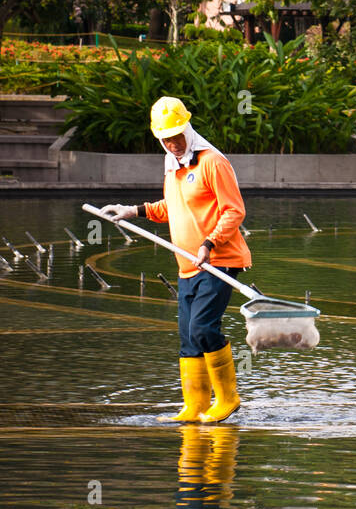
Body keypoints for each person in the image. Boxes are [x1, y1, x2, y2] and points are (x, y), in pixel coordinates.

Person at [101, 96, 252, 422]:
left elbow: (234, 210)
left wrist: (210, 243)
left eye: (176, 137)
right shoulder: (173, 168)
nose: (172, 144)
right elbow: (172, 208)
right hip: (188, 266)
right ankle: (195, 405)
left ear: (187, 129)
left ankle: (228, 398)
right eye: (165, 139)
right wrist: (133, 211)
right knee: (187, 336)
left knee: (202, 327)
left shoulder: (212, 162)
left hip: (220, 261)